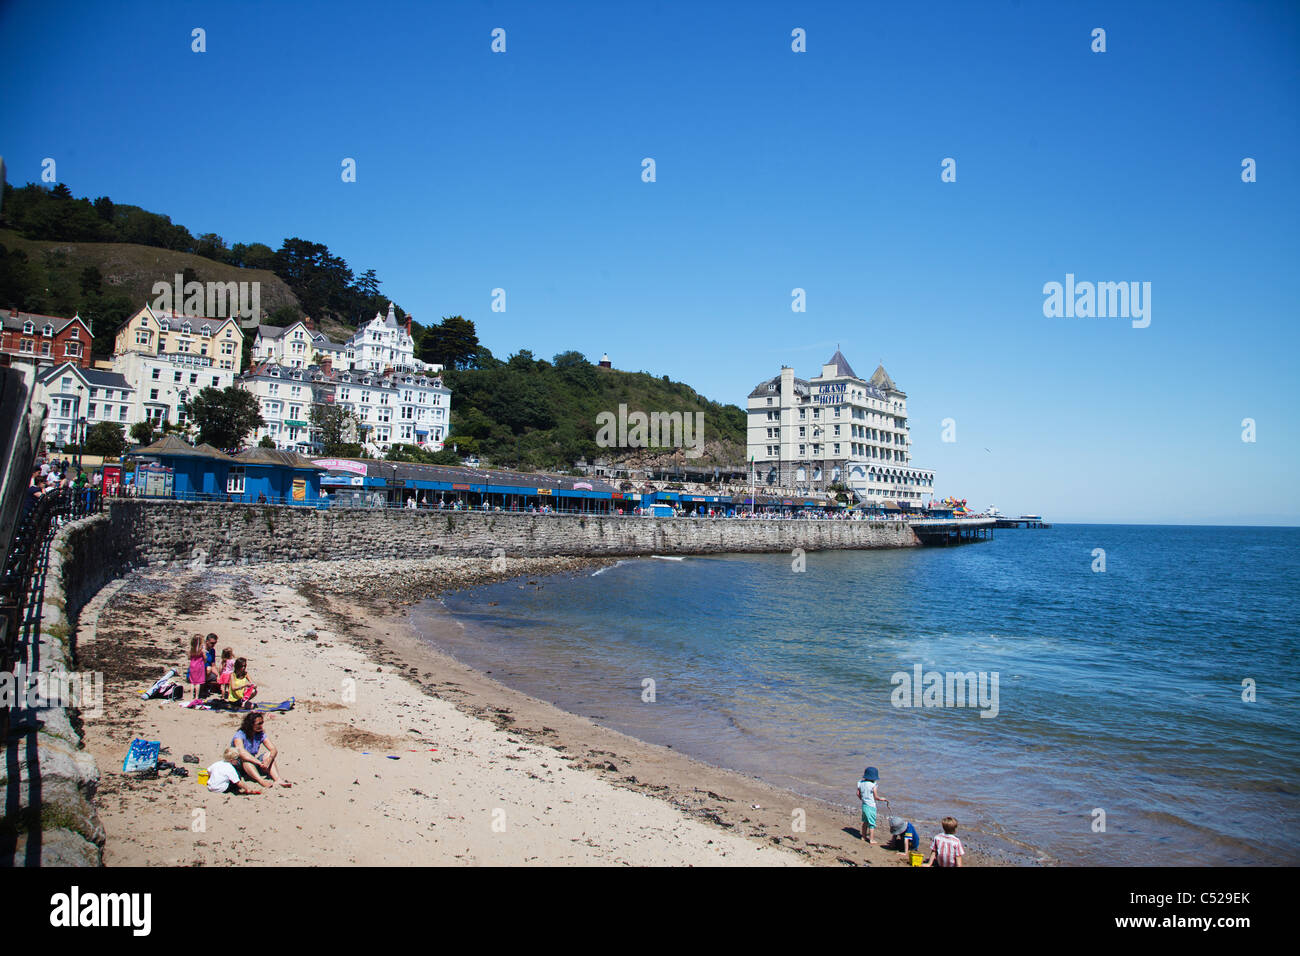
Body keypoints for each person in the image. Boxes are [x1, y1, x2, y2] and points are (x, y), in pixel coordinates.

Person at [231, 713, 291, 787]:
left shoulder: (260, 734)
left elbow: (273, 749)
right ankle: (261, 781)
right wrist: (259, 763)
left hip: (252, 763)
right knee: (246, 759)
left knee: (268, 755)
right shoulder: (239, 735)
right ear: (250, 724)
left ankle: (278, 779)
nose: (261, 726)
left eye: (262, 723)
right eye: (259, 724)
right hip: (238, 764)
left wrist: (268, 760)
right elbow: (242, 753)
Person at [856, 766, 883, 844]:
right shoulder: (873, 785)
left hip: (864, 805)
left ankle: (863, 836)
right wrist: (882, 799)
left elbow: (857, 793)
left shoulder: (860, 783)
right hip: (871, 806)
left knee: (864, 821)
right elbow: (876, 797)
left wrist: (862, 799)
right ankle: (871, 839)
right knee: (872, 823)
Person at [186, 635, 207, 699]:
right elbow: (205, 658)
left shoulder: (191, 650)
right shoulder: (201, 650)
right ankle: (196, 696)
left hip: (192, 665)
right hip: (199, 666)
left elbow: (189, 657)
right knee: (198, 682)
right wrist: (204, 660)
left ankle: (191, 695)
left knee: (192, 682)